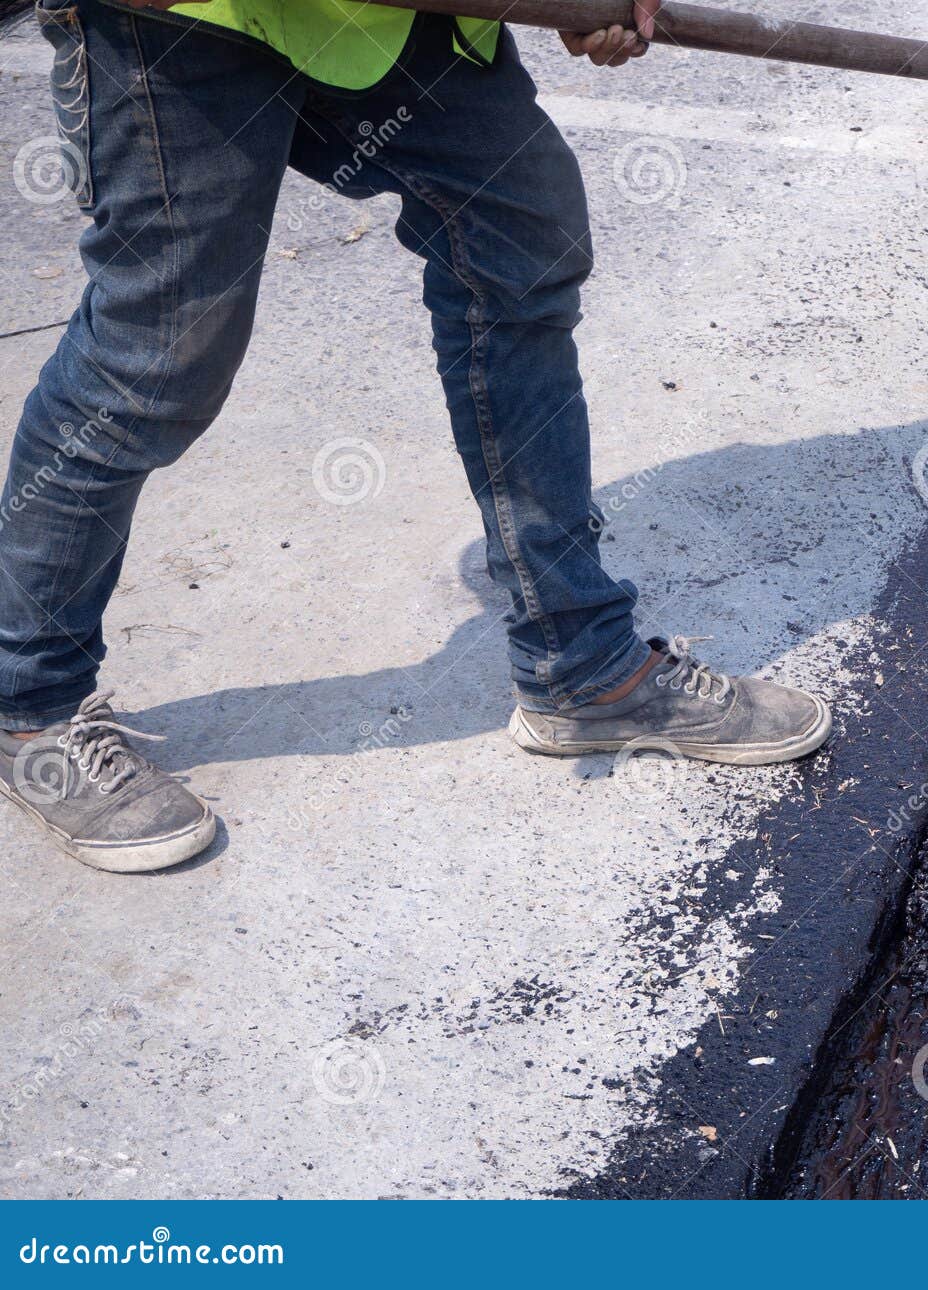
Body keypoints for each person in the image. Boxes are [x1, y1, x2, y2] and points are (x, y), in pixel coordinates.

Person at [0, 0, 833, 874]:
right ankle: (28, 706)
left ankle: (580, 665)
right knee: (161, 355)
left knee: (522, 241)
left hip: (380, 22)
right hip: (181, 21)